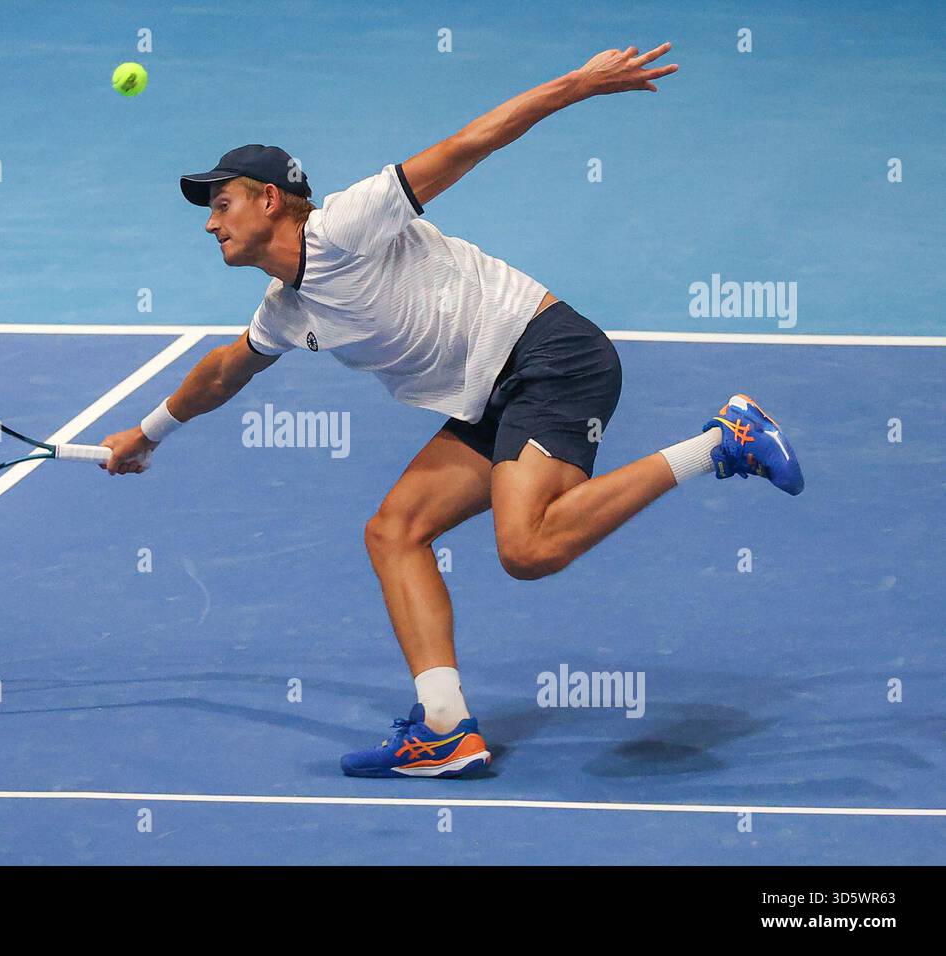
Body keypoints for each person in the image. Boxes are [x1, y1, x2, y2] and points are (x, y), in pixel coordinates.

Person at [100, 43, 803, 778]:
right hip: (490, 392)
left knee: (528, 549)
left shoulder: (345, 225)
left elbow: (470, 143)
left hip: (549, 356)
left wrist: (580, 84)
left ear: (270, 199)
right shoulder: (286, 309)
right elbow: (220, 374)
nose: (211, 224)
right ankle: (445, 729)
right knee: (395, 530)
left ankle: (724, 440)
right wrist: (147, 435)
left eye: (222, 204)